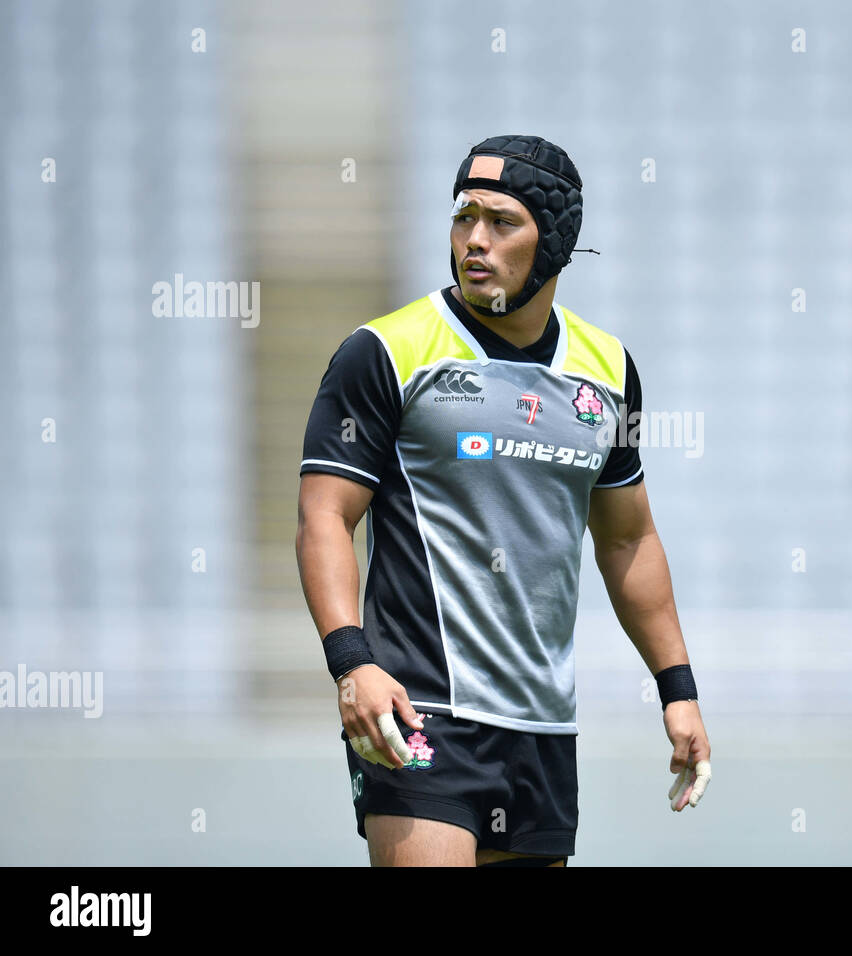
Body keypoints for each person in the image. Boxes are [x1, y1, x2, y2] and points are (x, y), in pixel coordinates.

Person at [295, 134, 711, 867]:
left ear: (552, 242)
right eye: (463, 217)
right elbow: (324, 514)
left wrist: (677, 689)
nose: (473, 240)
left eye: (501, 222)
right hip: (419, 709)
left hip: (542, 724)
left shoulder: (608, 372)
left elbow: (628, 541)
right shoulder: (388, 351)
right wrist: (351, 661)